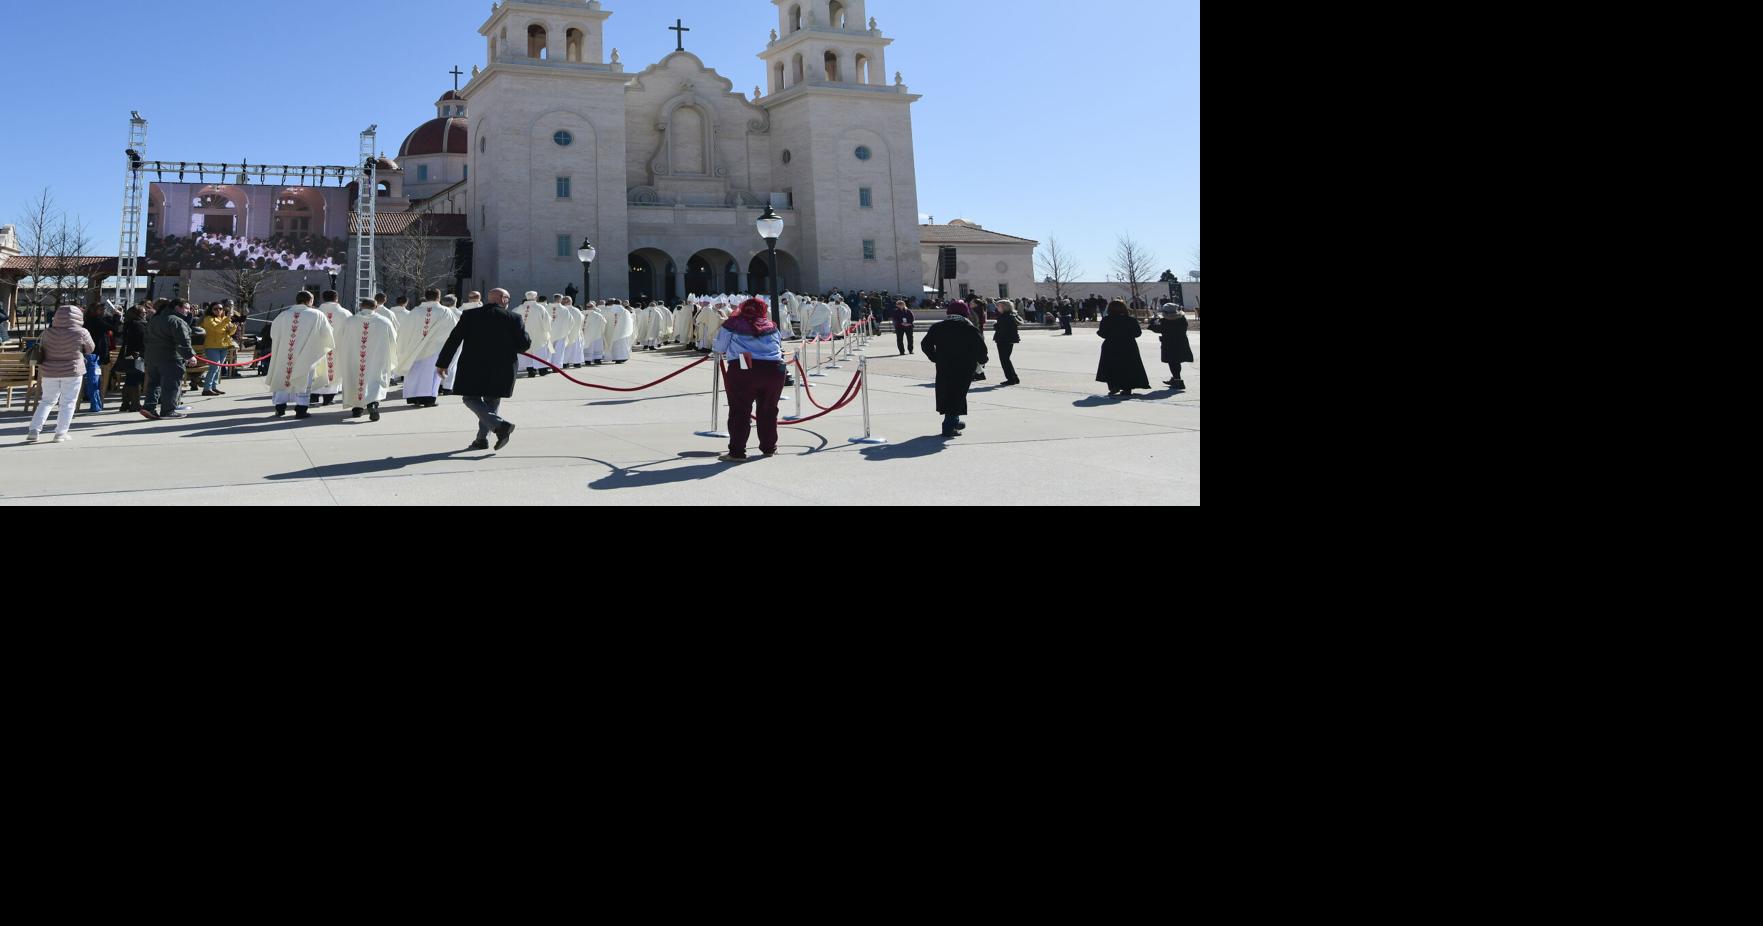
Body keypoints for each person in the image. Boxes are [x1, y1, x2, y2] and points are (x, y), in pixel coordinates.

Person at [437, 288, 529, 452]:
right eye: (507, 298)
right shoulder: (514, 318)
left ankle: (484, 438)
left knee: (471, 398)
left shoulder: (470, 315)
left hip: (474, 366)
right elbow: (524, 345)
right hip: (502, 368)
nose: (508, 301)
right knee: (489, 401)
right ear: (502, 299)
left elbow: (454, 340)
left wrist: (443, 362)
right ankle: (498, 426)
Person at [713, 297, 788, 463]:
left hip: (744, 365)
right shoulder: (771, 325)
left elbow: (719, 347)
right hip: (774, 368)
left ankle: (737, 452)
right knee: (769, 409)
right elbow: (779, 346)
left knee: (740, 410)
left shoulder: (732, 324)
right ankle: (769, 447)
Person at [25, 305, 95, 443]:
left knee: (46, 401)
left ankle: (34, 430)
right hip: (72, 370)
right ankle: (60, 433)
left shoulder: (47, 332)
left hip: (49, 371)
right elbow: (90, 349)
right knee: (68, 402)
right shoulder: (82, 332)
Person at [919, 301, 988, 439]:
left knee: (948, 392)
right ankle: (949, 426)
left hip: (944, 366)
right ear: (965, 313)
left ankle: (954, 421)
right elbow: (981, 349)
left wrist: (935, 357)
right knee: (958, 394)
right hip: (964, 367)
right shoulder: (969, 328)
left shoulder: (938, 327)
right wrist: (982, 360)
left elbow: (925, 344)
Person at [264, 291, 334, 419]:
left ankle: (280, 408)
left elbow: (273, 333)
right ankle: (301, 410)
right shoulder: (317, 314)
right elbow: (327, 334)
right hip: (306, 353)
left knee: (283, 376)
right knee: (304, 379)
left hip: (285, 353)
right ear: (310, 300)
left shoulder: (283, 315)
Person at [395, 289, 458, 408]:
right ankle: (429, 399)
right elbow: (453, 331)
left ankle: (414, 397)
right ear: (438, 297)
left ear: (425, 297)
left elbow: (404, 330)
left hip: (414, 349)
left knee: (414, 373)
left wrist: (405, 347)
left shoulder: (415, 311)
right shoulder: (445, 312)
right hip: (435, 349)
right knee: (432, 374)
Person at [340, 297, 398, 422]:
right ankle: (372, 404)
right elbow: (394, 340)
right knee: (374, 381)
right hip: (377, 358)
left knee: (355, 379)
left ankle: (357, 409)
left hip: (354, 357)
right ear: (375, 307)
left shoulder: (350, 321)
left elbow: (341, 339)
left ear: (361, 306)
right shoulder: (384, 321)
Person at [142, 300, 195, 421]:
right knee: (171, 384)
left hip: (152, 356)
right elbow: (183, 341)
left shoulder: (155, 319)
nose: (188, 311)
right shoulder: (176, 320)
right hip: (170, 357)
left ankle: (149, 407)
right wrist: (190, 356)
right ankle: (168, 410)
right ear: (177, 308)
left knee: (154, 383)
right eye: (186, 308)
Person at [1096, 299, 1151, 398]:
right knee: (1128, 366)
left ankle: (1113, 386)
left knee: (1111, 366)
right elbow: (1137, 333)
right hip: (1128, 345)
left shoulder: (1106, 319)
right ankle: (1127, 388)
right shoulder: (1130, 320)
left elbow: (1103, 333)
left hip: (1111, 345)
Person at [309, 293, 352, 407]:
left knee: (317, 371)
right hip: (337, 348)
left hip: (318, 349)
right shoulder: (345, 313)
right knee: (335, 370)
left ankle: (314, 396)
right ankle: (328, 398)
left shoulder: (315, 313)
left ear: (323, 298)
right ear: (337, 298)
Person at [1147, 304, 1195, 392]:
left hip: (1169, 344)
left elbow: (1155, 328)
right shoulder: (1182, 319)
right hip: (1181, 343)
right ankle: (1175, 378)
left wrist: (1153, 320)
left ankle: (1178, 380)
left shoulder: (1165, 322)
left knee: (1173, 362)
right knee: (1176, 362)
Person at [198, 303, 237, 396]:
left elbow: (231, 332)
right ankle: (206, 388)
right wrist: (227, 320)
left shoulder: (223, 319)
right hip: (212, 346)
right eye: (215, 309)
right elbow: (216, 329)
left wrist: (232, 328)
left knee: (218, 368)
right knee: (214, 367)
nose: (218, 310)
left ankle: (214, 387)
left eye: (220, 308)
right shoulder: (208, 319)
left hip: (223, 346)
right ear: (211, 310)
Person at [117, 305, 147, 413]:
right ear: (137, 314)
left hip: (128, 354)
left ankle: (125, 404)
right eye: (143, 313)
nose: (145, 314)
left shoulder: (128, 324)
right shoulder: (140, 325)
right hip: (137, 355)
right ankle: (135, 404)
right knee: (136, 379)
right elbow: (143, 341)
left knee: (129, 379)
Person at [515, 292, 553, 377]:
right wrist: (547, 330)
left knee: (528, 351)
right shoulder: (540, 307)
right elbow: (547, 320)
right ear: (536, 298)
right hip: (538, 333)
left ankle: (531, 371)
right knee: (539, 351)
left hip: (524, 332)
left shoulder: (519, 308)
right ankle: (542, 370)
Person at [993, 301, 1022, 387]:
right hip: (1008, 340)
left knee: (1004, 360)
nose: (997, 308)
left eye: (998, 306)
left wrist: (996, 326)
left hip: (1003, 340)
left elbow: (1002, 329)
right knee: (1006, 359)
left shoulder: (1005, 316)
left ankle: (1011, 379)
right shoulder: (1011, 315)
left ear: (1004, 307)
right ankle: (1014, 378)